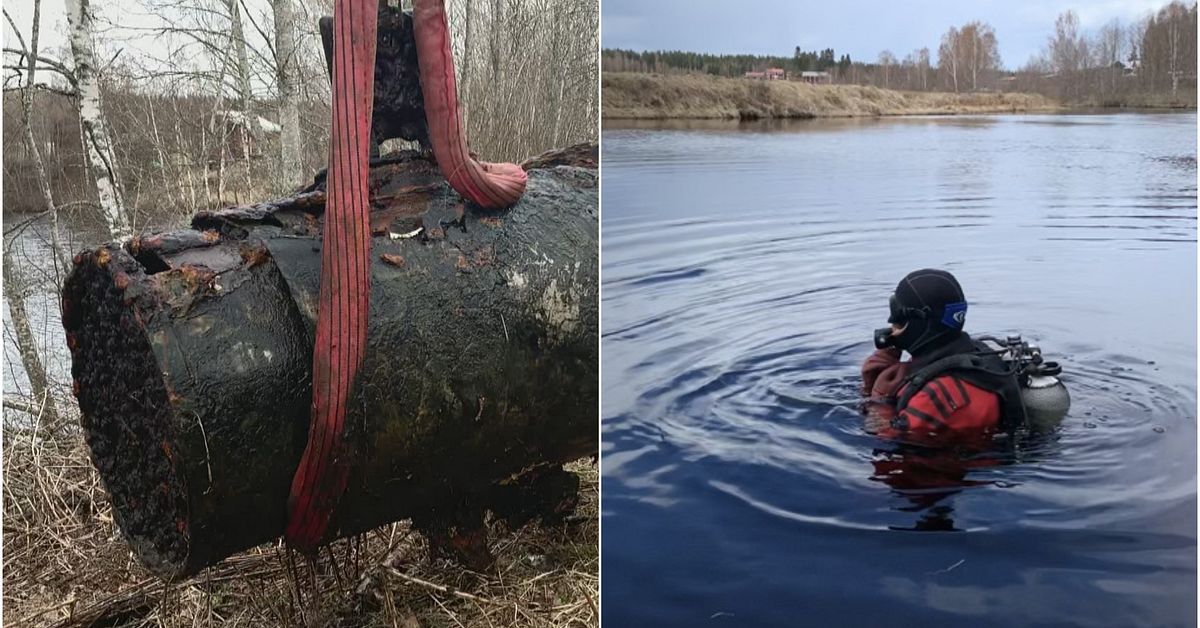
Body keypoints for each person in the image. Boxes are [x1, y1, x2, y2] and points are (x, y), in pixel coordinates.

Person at [860, 268, 1025, 444]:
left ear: (919, 323)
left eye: (899, 320)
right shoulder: (974, 353)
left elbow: (889, 452)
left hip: (946, 465)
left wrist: (879, 400)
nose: (892, 325)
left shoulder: (936, 395)